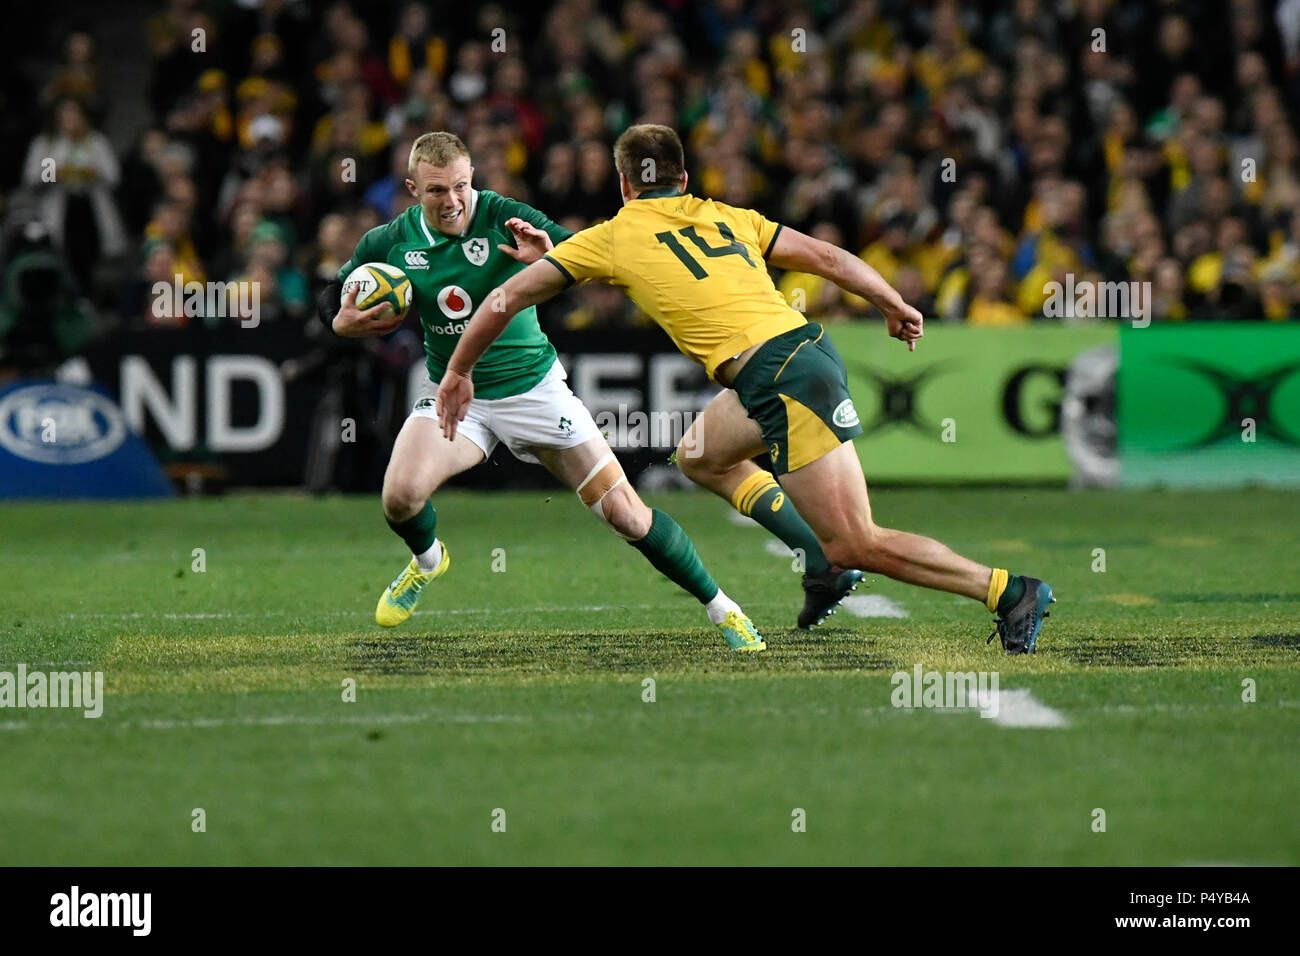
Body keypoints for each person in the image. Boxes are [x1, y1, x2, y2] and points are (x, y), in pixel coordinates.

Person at [438, 125, 1055, 654]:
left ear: (624, 186)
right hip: (797, 353)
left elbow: (500, 299)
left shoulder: (611, 235)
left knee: (857, 540)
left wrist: (459, 371)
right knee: (701, 457)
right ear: (682, 178)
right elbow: (830, 260)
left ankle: (1007, 591)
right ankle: (819, 563)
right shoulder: (727, 214)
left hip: (779, 376)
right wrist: (893, 303)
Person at [320, 131, 764, 651]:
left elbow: (586, 258)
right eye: (437, 190)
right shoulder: (388, 242)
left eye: (461, 186)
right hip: (457, 396)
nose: (453, 201)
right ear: (413, 187)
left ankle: (724, 610)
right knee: (399, 497)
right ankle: (427, 562)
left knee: (626, 515)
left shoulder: (504, 215)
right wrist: (340, 321)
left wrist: (552, 256)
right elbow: (336, 294)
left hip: (535, 390)